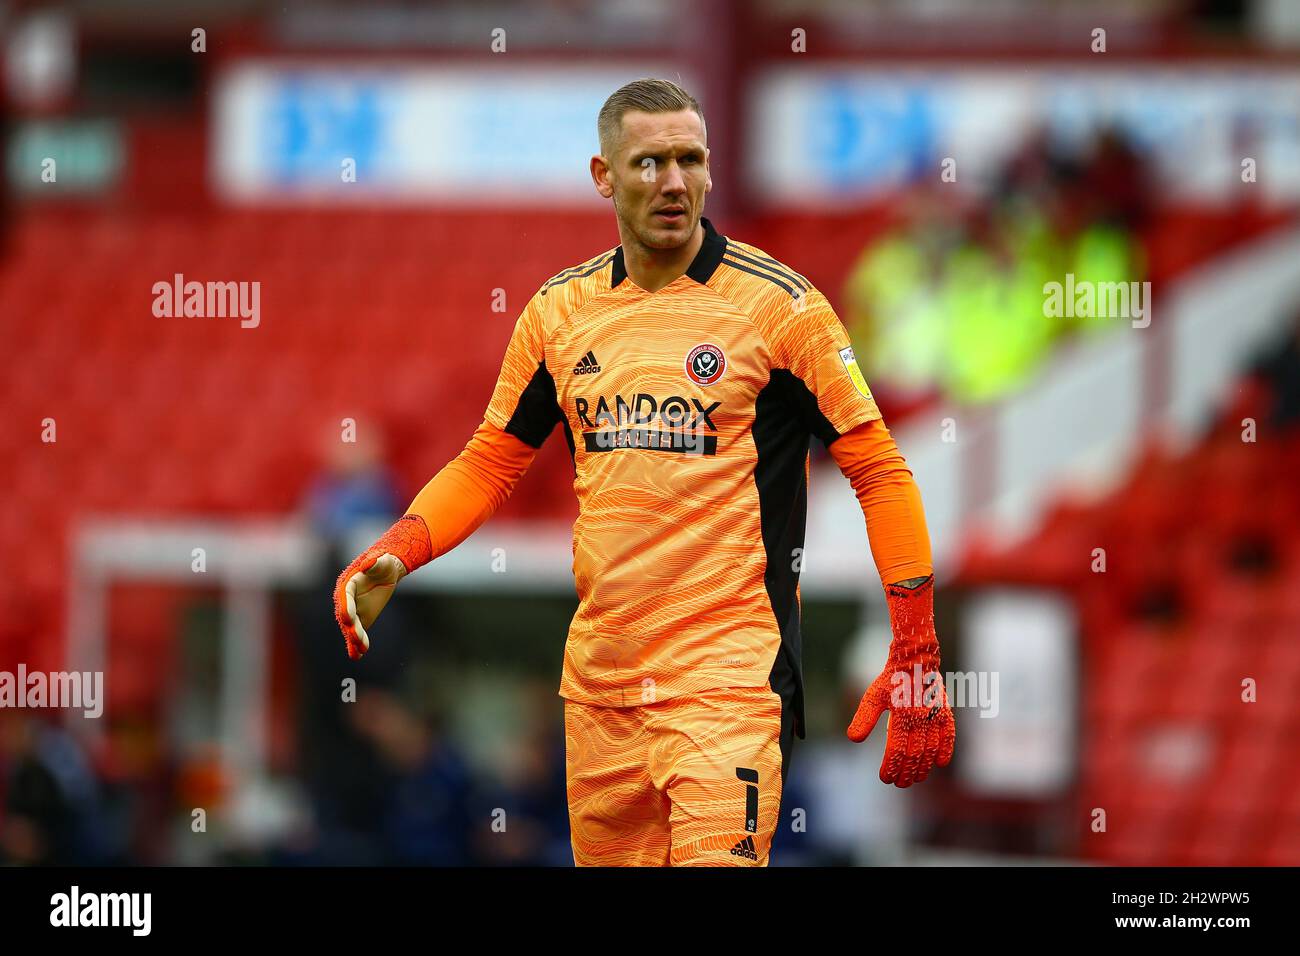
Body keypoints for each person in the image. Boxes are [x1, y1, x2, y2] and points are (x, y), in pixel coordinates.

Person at [332, 78, 955, 866]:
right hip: (602, 692)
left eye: (690, 160)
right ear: (604, 175)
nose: (673, 182)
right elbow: (492, 458)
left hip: (731, 680)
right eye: (650, 162)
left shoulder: (780, 309)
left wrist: (916, 641)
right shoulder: (560, 314)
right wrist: (403, 546)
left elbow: (880, 468)